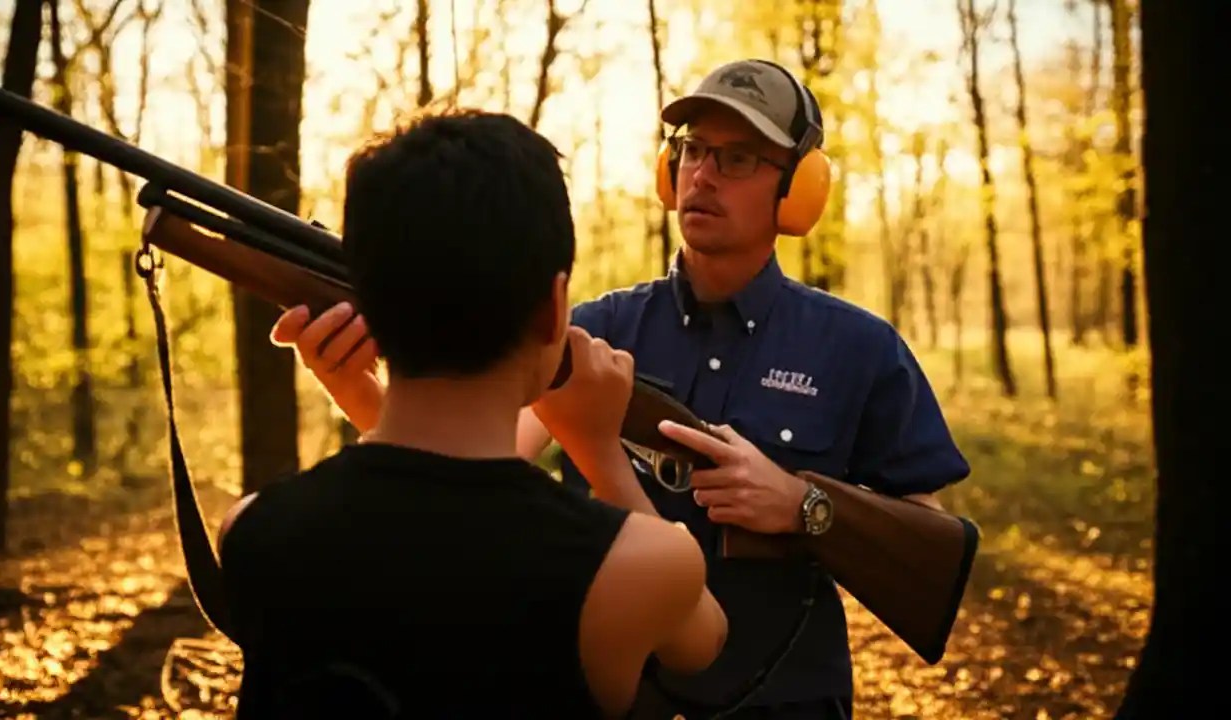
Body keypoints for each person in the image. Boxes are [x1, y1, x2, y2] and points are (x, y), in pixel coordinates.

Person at [279, 59, 970, 719]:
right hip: (608, 697)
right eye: (693, 149)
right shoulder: (595, 328)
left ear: (798, 187)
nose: (703, 173)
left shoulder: (858, 347)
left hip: (783, 698)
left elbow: (925, 530)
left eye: (737, 158)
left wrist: (802, 505)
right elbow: (478, 468)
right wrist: (360, 389)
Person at [219, 109, 728, 719]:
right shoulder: (642, 566)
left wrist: (361, 396)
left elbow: (410, 521)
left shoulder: (250, 531)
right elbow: (704, 643)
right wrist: (599, 451)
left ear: (368, 303)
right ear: (554, 306)